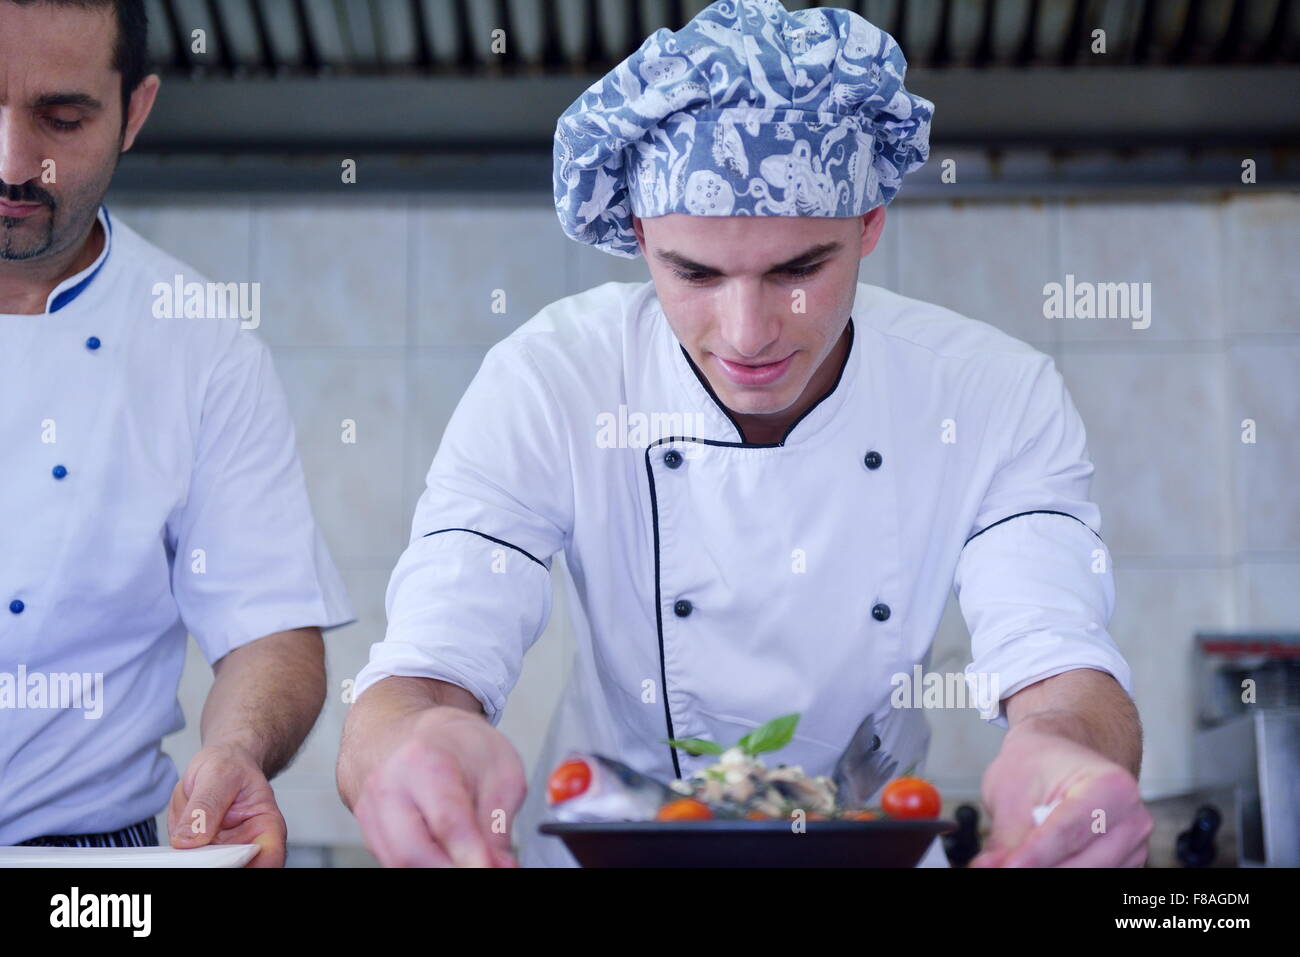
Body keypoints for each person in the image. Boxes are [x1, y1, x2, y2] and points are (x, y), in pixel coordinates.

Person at [338, 0, 1151, 868]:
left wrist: (1066, 752)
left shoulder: (994, 393)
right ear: (640, 236)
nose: (749, 332)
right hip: (607, 849)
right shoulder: (550, 380)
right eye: (694, 273)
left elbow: (1059, 659)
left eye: (800, 268)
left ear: (870, 221)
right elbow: (429, 660)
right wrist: (406, 745)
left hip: (871, 852)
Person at [0, 0, 353, 865]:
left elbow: (268, 629)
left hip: (88, 870)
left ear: (136, 112)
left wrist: (236, 751)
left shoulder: (199, 344)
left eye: (62, 116)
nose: (12, 163)